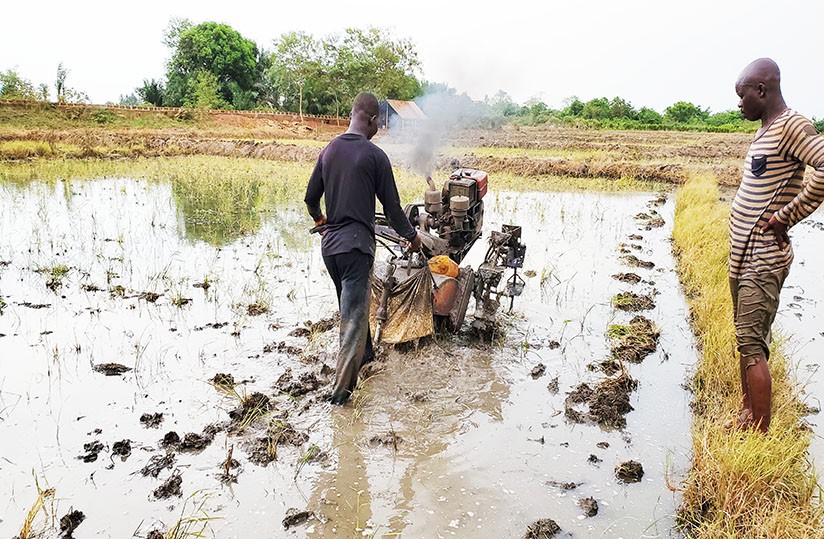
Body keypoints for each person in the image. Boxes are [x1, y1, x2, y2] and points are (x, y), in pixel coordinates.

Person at [305, 92, 421, 405]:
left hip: (331, 249)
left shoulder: (329, 150)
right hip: (357, 249)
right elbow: (394, 210)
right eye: (377, 123)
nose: (378, 128)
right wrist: (413, 237)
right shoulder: (375, 156)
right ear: (369, 119)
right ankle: (340, 399)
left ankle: (367, 356)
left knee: (352, 308)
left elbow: (310, 198)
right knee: (352, 323)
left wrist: (321, 219)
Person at [728, 58, 824, 432]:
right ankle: (747, 413)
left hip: (763, 257)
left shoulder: (792, 126)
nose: (739, 104)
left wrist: (787, 215)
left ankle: (759, 436)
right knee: (747, 339)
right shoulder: (765, 130)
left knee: (752, 346)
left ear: (762, 91)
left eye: (742, 95)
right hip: (743, 257)